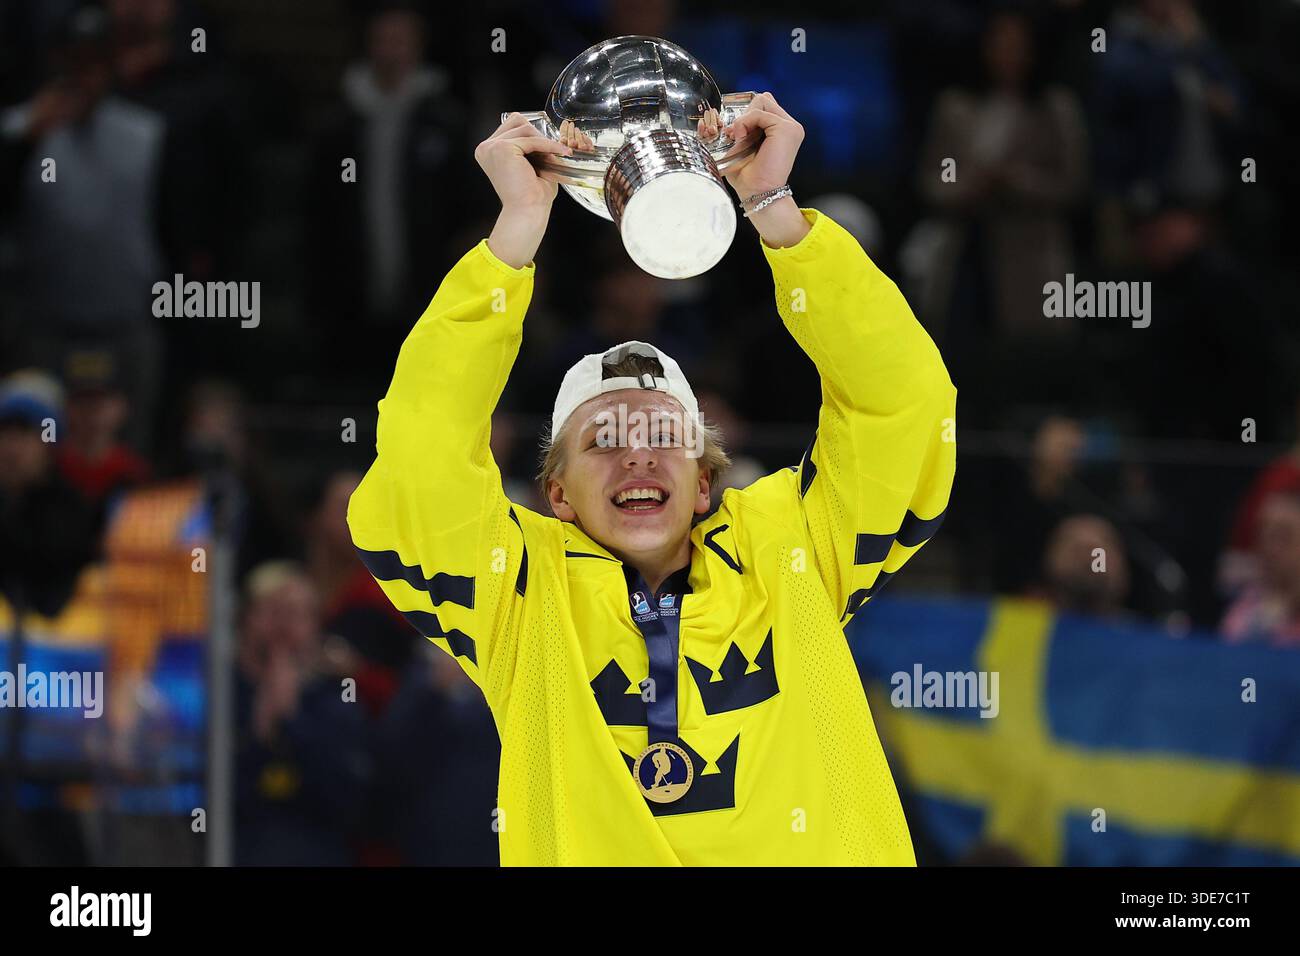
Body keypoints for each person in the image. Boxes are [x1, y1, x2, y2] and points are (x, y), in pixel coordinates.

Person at [348, 95, 957, 865]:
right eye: (604, 438)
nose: (637, 454)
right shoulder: (517, 595)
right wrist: (513, 238)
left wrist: (776, 212)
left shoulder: (795, 547)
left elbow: (904, 408)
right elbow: (421, 457)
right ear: (556, 495)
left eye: (663, 434)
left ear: (705, 485)